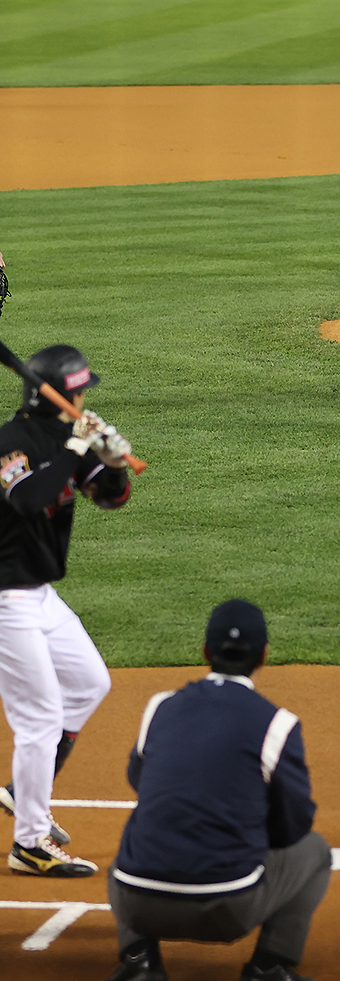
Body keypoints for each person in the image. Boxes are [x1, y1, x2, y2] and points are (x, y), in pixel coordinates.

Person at [105, 599, 331, 981]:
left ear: (206, 651)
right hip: (227, 910)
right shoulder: (277, 724)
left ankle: (139, 962)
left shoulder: (160, 707)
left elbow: (139, 780)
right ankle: (269, 967)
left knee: (142, 829)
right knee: (315, 851)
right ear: (264, 656)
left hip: (137, 903)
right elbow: (295, 824)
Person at [0, 344, 132, 877]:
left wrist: (113, 464)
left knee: (89, 683)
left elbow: (110, 498)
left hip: (38, 594)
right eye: (78, 392)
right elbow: (27, 500)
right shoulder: (11, 443)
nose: (83, 400)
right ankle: (30, 844)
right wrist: (78, 450)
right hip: (4, 599)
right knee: (39, 718)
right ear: (55, 395)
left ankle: (22, 790)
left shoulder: (67, 438)